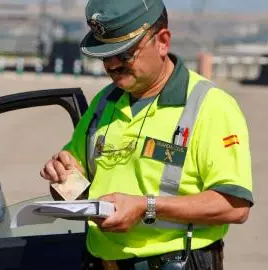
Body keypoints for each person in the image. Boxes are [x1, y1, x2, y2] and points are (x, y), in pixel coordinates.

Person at [40, 0, 253, 269]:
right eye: (105, 55)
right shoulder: (105, 102)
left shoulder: (210, 106)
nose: (113, 65)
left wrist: (147, 207)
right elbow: (77, 190)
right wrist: (62, 177)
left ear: (162, 41)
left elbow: (235, 205)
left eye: (125, 53)